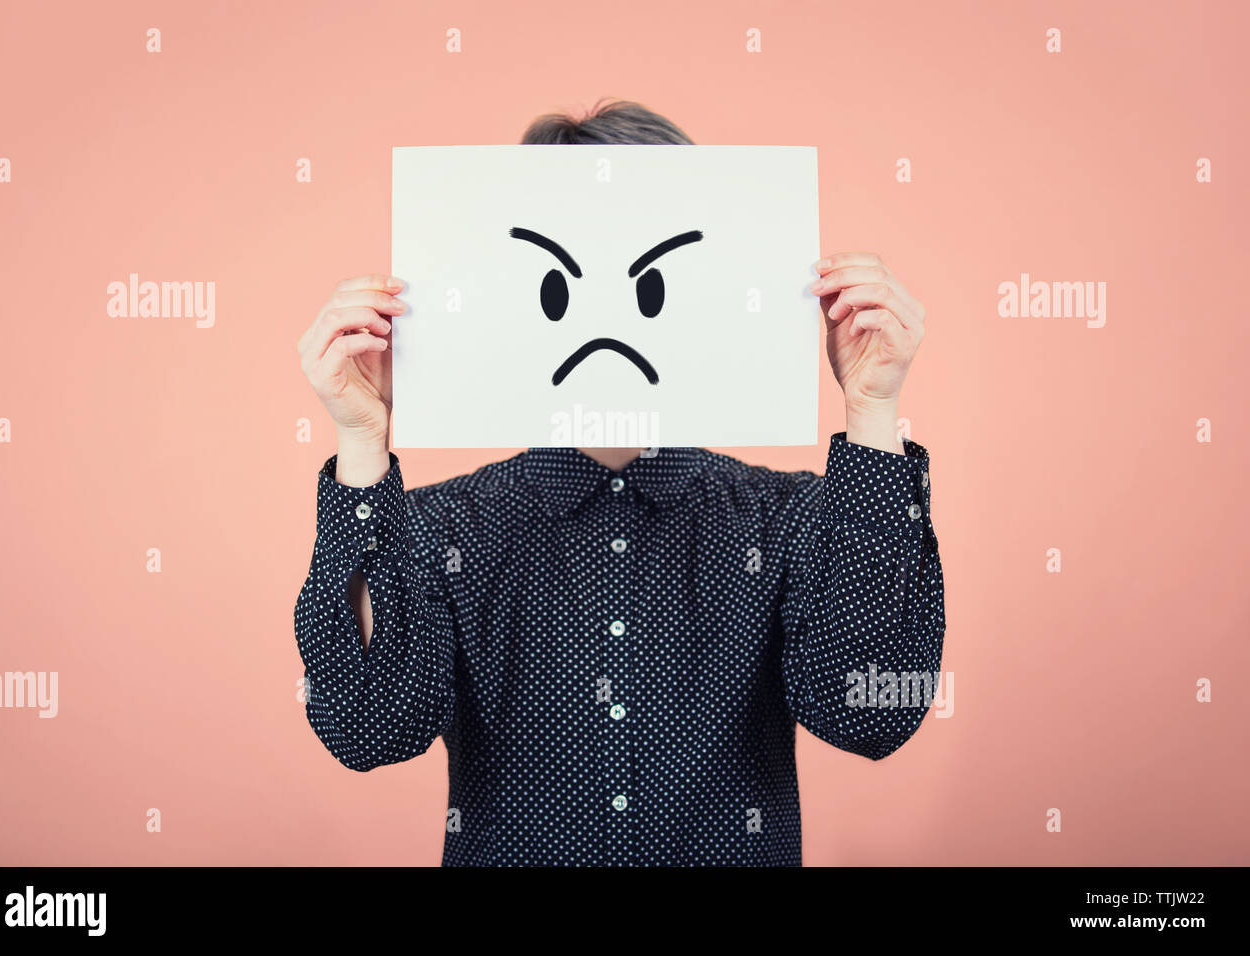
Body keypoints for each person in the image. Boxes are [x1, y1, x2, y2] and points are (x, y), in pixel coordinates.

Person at [294, 99, 945, 866]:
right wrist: (361, 438)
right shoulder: (440, 530)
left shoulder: (790, 519)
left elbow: (867, 711)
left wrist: (873, 412)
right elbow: (368, 727)